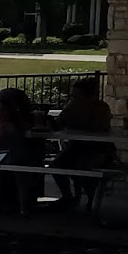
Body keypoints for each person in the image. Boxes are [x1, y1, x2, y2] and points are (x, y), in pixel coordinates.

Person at [53, 76, 115, 208]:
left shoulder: (101, 108)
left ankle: (92, 199)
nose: (73, 99)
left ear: (89, 96)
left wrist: (76, 122)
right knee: (56, 166)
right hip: (77, 146)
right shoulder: (71, 108)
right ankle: (67, 197)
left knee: (83, 168)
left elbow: (98, 128)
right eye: (72, 96)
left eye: (77, 96)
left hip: (99, 149)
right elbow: (58, 123)